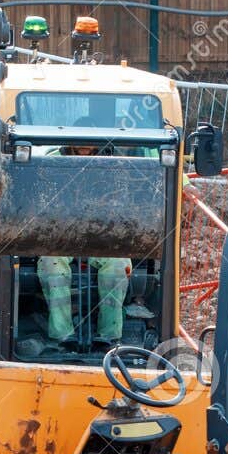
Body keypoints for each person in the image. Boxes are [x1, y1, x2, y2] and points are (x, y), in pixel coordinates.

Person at [36, 128, 132, 349]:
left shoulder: (114, 165)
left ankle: (108, 335)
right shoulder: (52, 163)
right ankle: (62, 335)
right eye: (79, 140)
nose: (84, 146)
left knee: (117, 265)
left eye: (90, 141)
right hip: (61, 235)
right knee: (52, 263)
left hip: (102, 236)